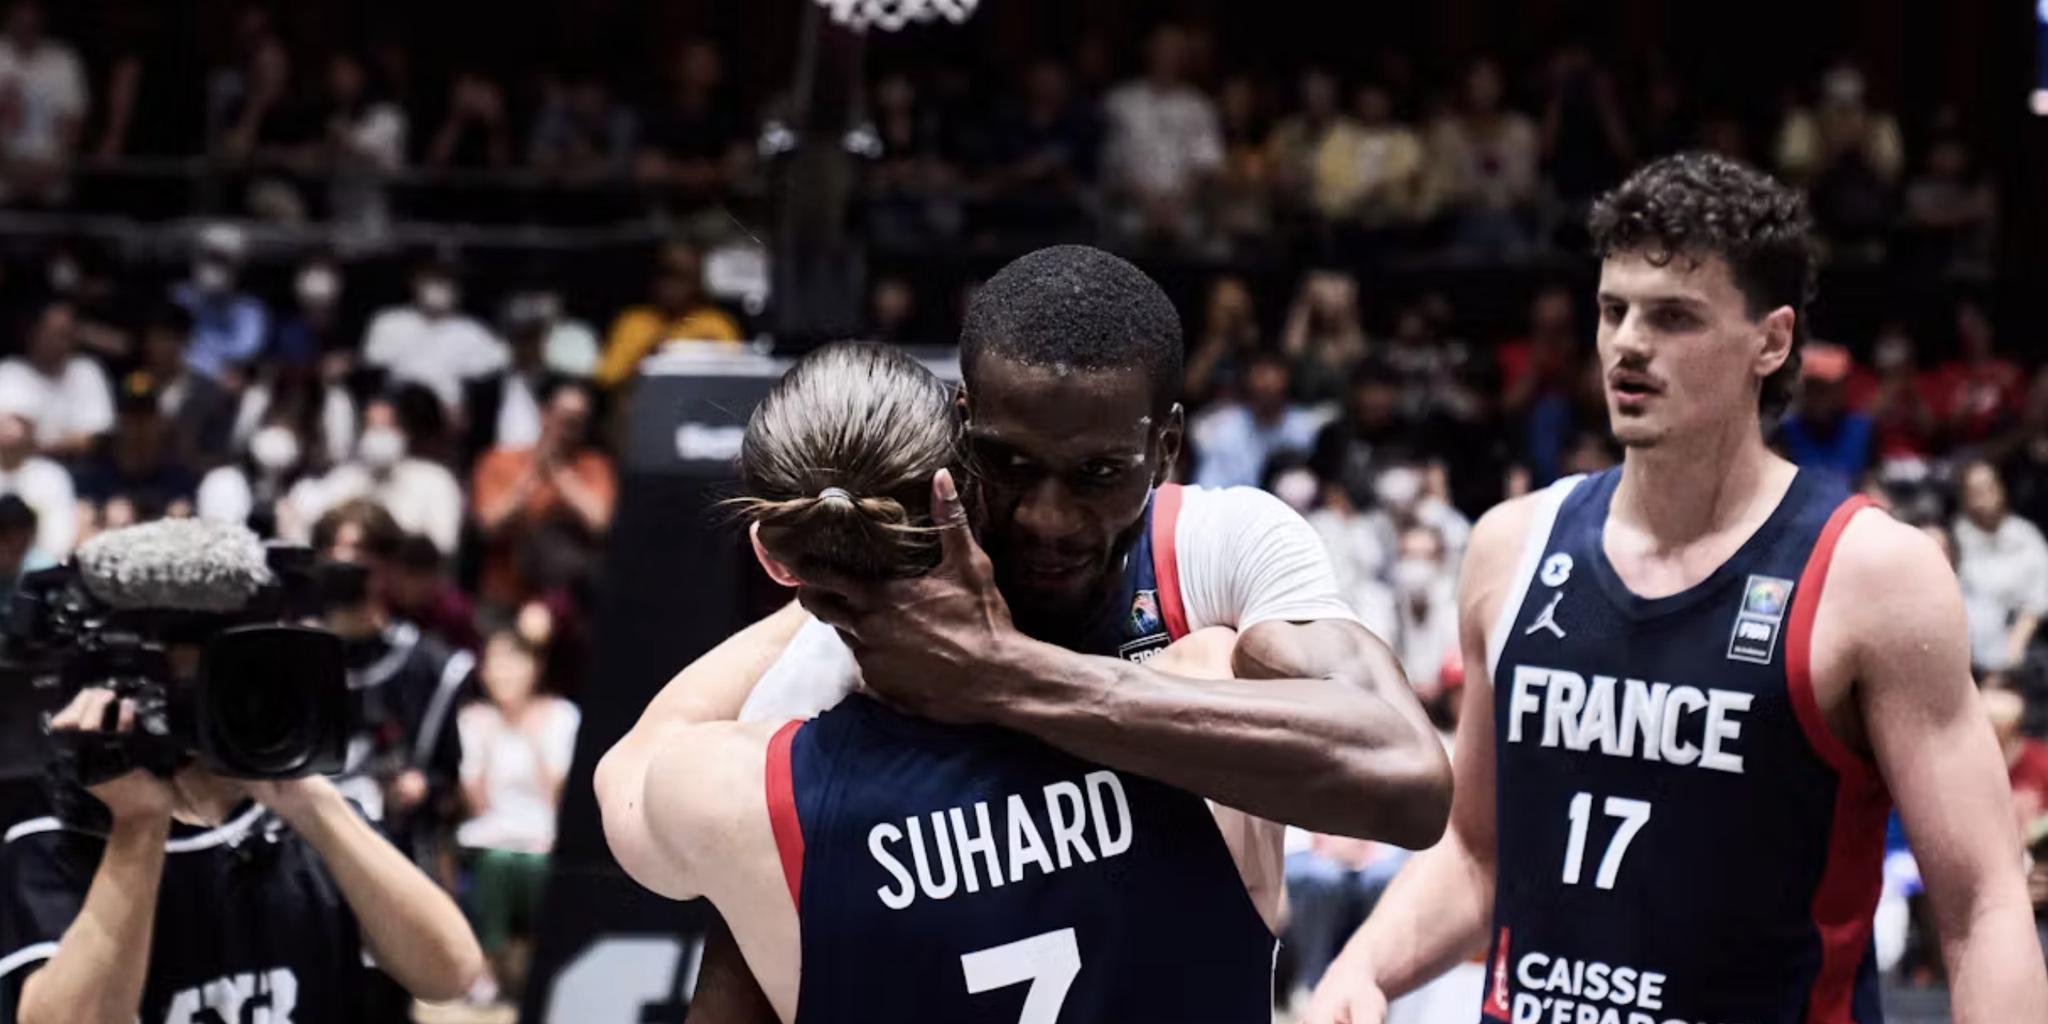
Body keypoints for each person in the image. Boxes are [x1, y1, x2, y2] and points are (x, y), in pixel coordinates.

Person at [598, 244, 1449, 1020]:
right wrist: (834, 603)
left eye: (1097, 475)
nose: (1049, 517)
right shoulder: (1210, 664)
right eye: (1010, 465)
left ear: (1166, 448)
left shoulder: (1211, 548)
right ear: (963, 430)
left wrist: (1000, 673)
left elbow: (1408, 780)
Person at [1305, 152, 2048, 1023]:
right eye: (1613, 310)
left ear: (1769, 343)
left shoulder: (1871, 575)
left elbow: (1982, 907)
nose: (1628, 342)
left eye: (1674, 318)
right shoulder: (1510, 548)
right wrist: (1361, 971)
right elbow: (1477, 852)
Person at [606, 342, 1285, 1022]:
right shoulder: (1209, 685)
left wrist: (821, 585)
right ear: (968, 507)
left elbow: (635, 759)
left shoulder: (735, 795)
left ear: (774, 558)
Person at [0, 520, 482, 1024]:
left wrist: (312, 803)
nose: (244, 694)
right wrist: (139, 829)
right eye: (200, 674)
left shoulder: (306, 819)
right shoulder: (56, 838)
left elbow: (449, 972)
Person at [315, 503, 472, 869]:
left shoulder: (430, 668)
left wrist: (423, 787)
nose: (343, 561)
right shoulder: (291, 657)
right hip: (303, 845)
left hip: (391, 849)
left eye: (357, 551)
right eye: (333, 550)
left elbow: (447, 779)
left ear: (385, 566)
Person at [456, 626, 579, 1004]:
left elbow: (560, 796)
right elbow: (477, 802)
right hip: (491, 835)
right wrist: (492, 737)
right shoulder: (473, 720)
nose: (505, 674)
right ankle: (488, 970)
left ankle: (542, 969)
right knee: (495, 865)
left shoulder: (561, 714)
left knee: (532, 870)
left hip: (543, 836)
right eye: (497, 665)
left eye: (515, 663)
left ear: (535, 668)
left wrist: (529, 733)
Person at [470, 378, 616, 613]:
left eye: (579, 422)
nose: (571, 429)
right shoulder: (499, 461)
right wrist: (529, 483)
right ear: (544, 414)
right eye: (566, 419)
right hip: (506, 596)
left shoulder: (595, 466)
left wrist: (560, 473)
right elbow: (487, 527)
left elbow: (601, 524)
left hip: (568, 604)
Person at [1102, 25, 1223, 246]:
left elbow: (1206, 166)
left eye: (1176, 49)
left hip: (1183, 219)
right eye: (1162, 47)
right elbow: (1114, 165)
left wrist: (1175, 208)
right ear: (1148, 50)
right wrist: (1149, 205)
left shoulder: (1199, 105)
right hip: (1132, 217)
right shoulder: (1120, 101)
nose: (1168, 55)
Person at [307, 392, 465, 555]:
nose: (378, 435)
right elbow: (315, 525)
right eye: (371, 426)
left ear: (404, 431)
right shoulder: (343, 478)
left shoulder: (436, 481)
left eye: (387, 426)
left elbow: (444, 544)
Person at [362, 257, 508, 415]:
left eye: (446, 282)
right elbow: (373, 362)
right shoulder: (389, 322)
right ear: (415, 283)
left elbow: (498, 362)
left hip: (447, 412)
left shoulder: (472, 330)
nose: (439, 289)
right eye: (432, 281)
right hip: (399, 408)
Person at [594, 242, 743, 388]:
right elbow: (607, 377)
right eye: (664, 275)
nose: (670, 285)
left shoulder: (716, 323)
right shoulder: (634, 321)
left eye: (681, 277)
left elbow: (738, 375)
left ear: (697, 281)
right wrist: (648, 356)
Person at [1953, 460, 2048, 676]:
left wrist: (2015, 645)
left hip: (2020, 641)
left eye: (1988, 488)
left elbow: (2038, 599)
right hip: (1967, 648)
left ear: (2001, 488)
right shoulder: (1955, 537)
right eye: (1975, 491)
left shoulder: (2026, 535)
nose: (1983, 497)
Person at [1191, 350, 1331, 490]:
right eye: (1260, 373)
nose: (1266, 382)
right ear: (1248, 378)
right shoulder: (1227, 429)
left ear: (1287, 377)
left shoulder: (1305, 427)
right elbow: (1208, 488)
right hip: (1239, 508)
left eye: (1273, 372)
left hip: (1293, 509)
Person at [0, 301, 113, 460]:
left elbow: (97, 437)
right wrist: (70, 441)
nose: (59, 343)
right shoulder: (9, 372)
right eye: (52, 334)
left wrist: (41, 442)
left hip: (82, 467)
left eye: (66, 335)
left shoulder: (87, 370)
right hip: (25, 467)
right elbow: (13, 437)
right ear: (33, 334)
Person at [0, 409, 70, 559]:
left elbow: (59, 535)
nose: (11, 432)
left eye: (19, 424)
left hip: (36, 564)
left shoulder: (51, 475)